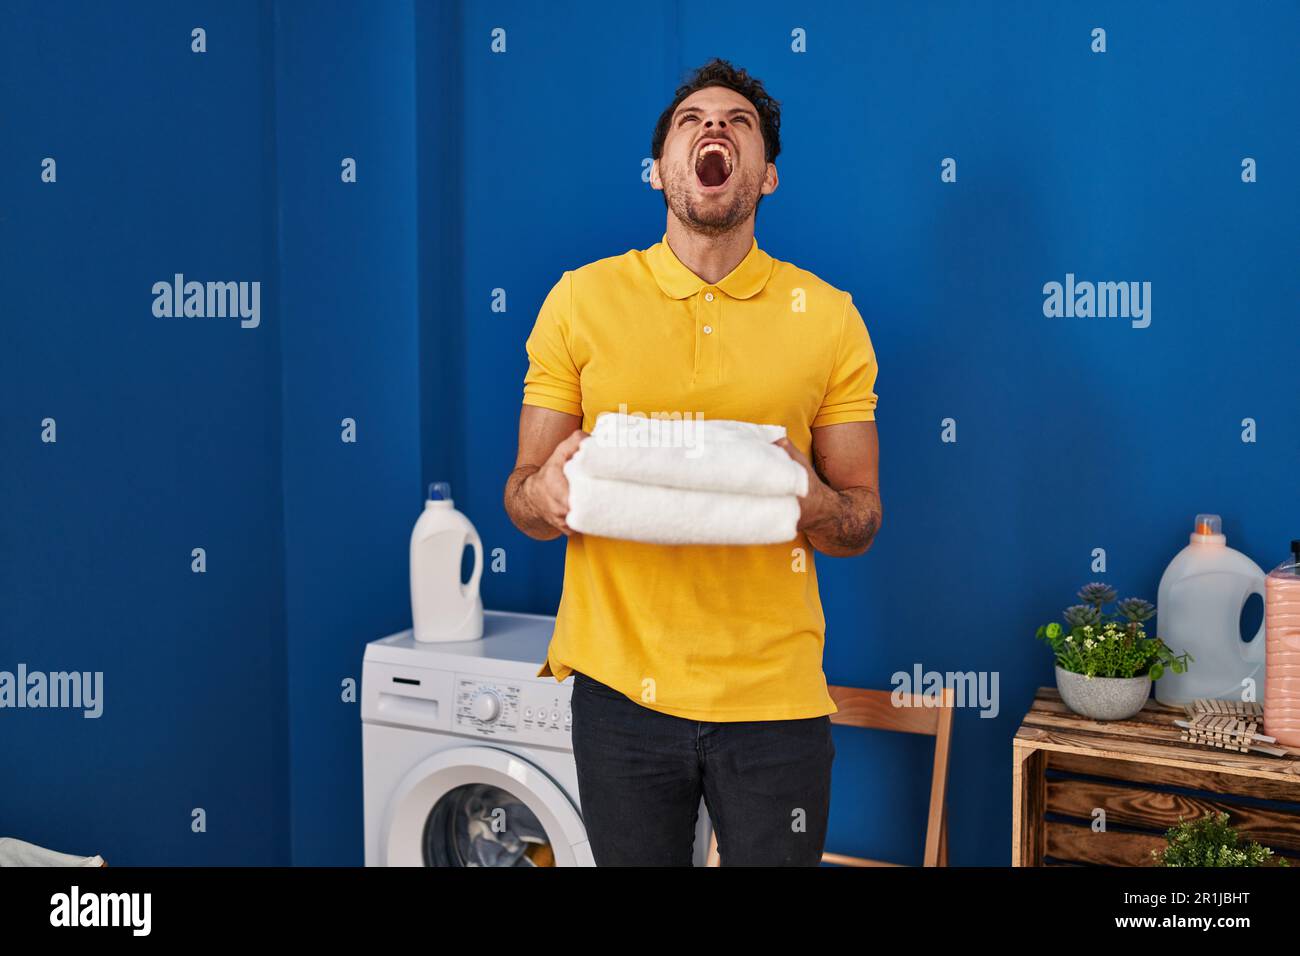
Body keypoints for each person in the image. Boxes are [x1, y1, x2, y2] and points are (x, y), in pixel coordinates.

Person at [503, 58, 882, 866]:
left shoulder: (831, 321)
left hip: (774, 701)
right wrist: (550, 492)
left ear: (767, 176)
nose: (715, 128)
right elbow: (521, 500)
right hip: (619, 700)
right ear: (660, 171)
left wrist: (807, 498)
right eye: (691, 122)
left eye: (739, 122)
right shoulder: (579, 301)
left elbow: (859, 521)